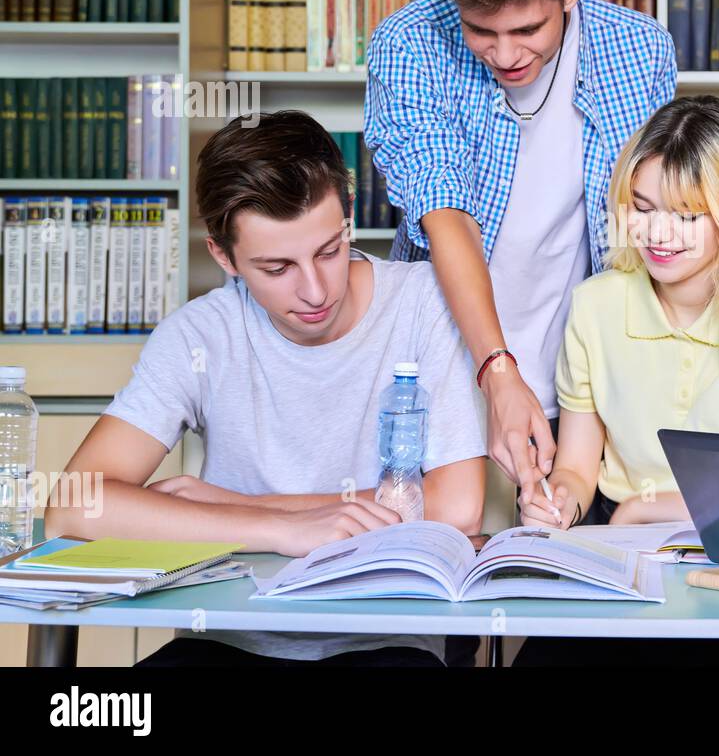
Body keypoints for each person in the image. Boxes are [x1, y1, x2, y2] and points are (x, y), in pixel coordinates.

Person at [45, 111, 485, 667]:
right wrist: (278, 528)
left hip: (386, 644)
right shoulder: (198, 333)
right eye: (276, 267)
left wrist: (234, 507)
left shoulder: (425, 301)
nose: (316, 289)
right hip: (226, 640)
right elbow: (73, 505)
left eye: (328, 250)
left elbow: (457, 510)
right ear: (224, 257)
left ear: (347, 220)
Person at [364, 0, 676, 510]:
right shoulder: (409, 45)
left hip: (586, 384)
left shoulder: (640, 52)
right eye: (481, 31)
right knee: (434, 565)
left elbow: (658, 222)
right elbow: (443, 213)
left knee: (573, 574)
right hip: (444, 369)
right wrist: (497, 372)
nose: (506, 55)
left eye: (528, 29)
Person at [512, 95, 719, 667]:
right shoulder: (596, 305)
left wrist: (642, 508)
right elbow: (577, 467)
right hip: (620, 572)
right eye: (641, 207)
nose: (658, 234)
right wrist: (558, 500)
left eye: (686, 215)